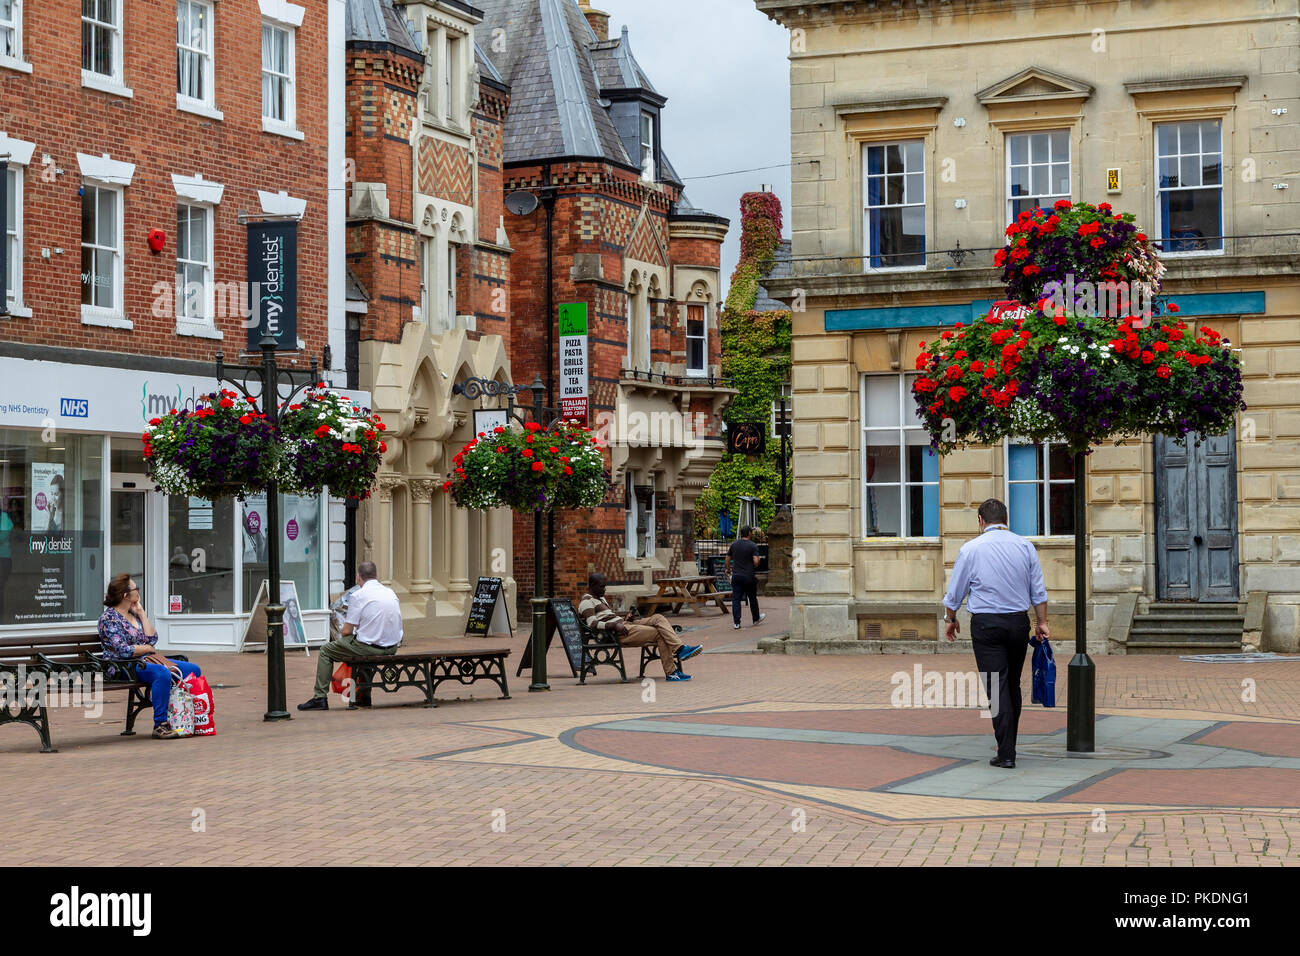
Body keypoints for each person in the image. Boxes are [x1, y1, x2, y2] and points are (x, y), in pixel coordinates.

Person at [942, 498, 1050, 769]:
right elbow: (1038, 590)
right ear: (1006, 519)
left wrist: (950, 618)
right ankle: (1008, 746)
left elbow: (955, 592)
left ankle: (1006, 751)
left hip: (986, 625)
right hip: (1017, 623)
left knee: (995, 685)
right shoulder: (1025, 546)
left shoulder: (971, 549)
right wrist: (1042, 622)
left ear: (980, 521)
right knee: (1011, 684)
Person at [98, 573, 203, 740]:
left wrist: (141, 613)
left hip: (145, 661)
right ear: (126, 595)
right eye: (136, 588)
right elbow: (122, 650)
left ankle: (186, 716)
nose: (138, 591)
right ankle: (160, 725)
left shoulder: (133, 614)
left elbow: (153, 638)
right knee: (162, 673)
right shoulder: (109, 618)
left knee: (192, 670)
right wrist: (146, 648)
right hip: (122, 666)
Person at [299, 561, 402, 710]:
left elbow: (346, 630)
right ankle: (364, 696)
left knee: (326, 651)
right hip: (392, 647)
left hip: (371, 648)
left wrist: (345, 635)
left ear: (358, 577)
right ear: (376, 575)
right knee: (364, 643)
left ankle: (319, 697)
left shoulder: (358, 595)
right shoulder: (390, 592)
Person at [578, 573, 701, 681]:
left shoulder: (600, 599)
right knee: (660, 633)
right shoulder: (586, 602)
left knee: (658, 617)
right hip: (617, 634)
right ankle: (672, 672)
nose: (604, 589)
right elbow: (592, 624)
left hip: (624, 625)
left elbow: (608, 616)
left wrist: (626, 618)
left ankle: (680, 649)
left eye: (605, 586)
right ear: (592, 585)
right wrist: (615, 625)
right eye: (601, 586)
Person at [725, 526, 766, 630]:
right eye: (751, 532)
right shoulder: (752, 546)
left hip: (736, 576)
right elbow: (756, 561)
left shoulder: (734, 545)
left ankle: (736, 623)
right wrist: (755, 565)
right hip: (748, 576)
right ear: (749, 533)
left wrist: (728, 569)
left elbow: (727, 558)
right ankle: (756, 618)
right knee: (752, 597)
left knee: (736, 599)